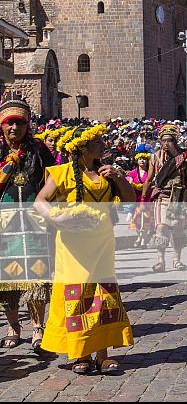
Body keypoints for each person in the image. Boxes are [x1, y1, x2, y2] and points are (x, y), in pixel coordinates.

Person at [34, 124, 135, 374]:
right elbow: (40, 201)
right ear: (83, 147)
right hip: (73, 247)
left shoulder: (108, 172)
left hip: (102, 243)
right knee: (77, 297)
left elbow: (131, 199)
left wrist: (119, 178)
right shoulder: (62, 173)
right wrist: (57, 219)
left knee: (103, 296)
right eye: (98, 141)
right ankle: (81, 353)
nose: (104, 144)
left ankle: (103, 354)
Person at [0, 95, 57, 353]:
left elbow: (54, 181)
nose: (14, 128)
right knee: (8, 280)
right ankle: (13, 327)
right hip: (5, 225)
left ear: (27, 125)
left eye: (19, 123)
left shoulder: (40, 150)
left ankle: (38, 327)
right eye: (9, 123)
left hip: (35, 224)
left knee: (36, 277)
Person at [142, 124, 187, 273]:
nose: (166, 143)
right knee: (161, 228)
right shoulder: (155, 157)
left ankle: (177, 260)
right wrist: (142, 199)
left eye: (169, 140)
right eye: (163, 140)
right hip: (162, 196)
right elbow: (148, 179)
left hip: (179, 197)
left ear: (175, 141)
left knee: (178, 230)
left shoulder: (185, 156)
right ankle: (160, 261)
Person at [126, 152, 153, 247]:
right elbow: (128, 180)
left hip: (147, 199)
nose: (142, 160)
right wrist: (130, 181)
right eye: (140, 159)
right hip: (136, 199)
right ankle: (139, 236)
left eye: (144, 159)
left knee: (145, 220)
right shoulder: (133, 172)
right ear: (137, 161)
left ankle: (143, 240)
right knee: (136, 220)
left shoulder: (150, 172)